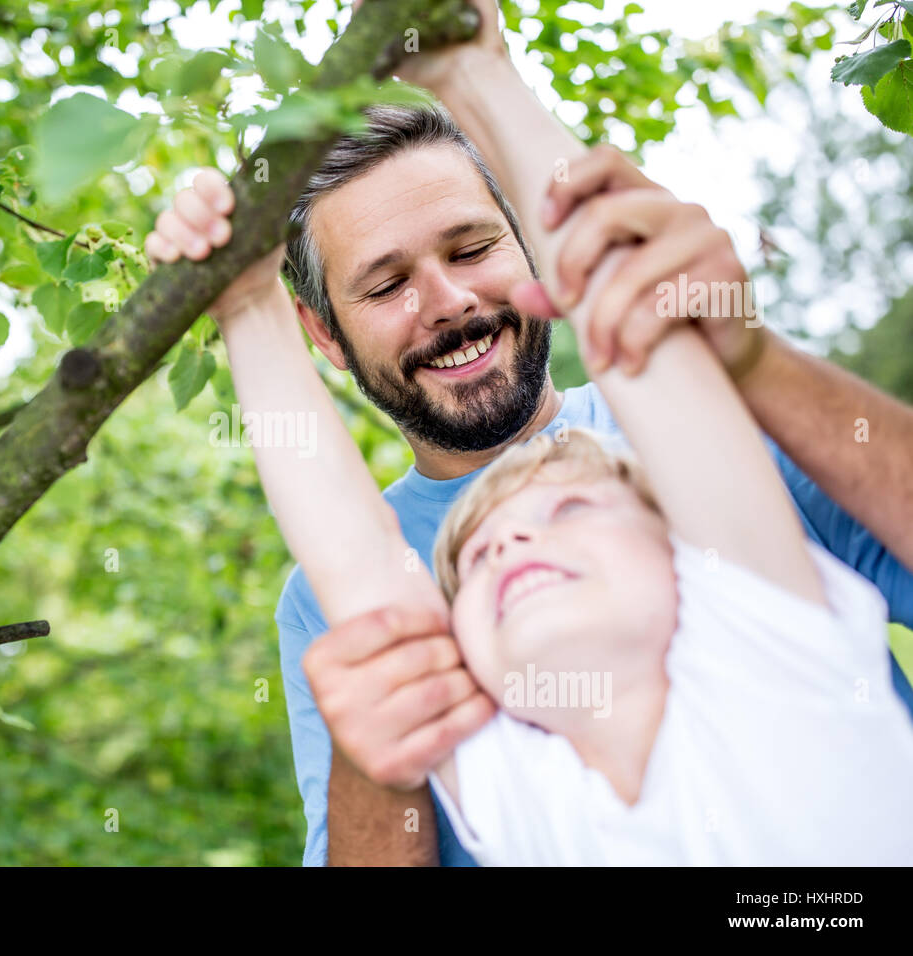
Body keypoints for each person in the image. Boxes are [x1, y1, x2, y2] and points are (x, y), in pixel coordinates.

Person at [143, 0, 913, 866]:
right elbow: (365, 576)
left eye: (471, 249)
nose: (504, 538)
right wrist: (245, 310)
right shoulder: (522, 794)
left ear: (682, 554)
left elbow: (642, 334)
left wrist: (476, 75)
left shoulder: (768, 637)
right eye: (470, 562)